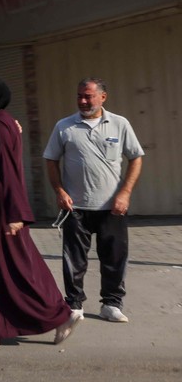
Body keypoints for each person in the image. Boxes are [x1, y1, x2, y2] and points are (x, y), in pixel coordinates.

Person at [0, 72, 81, 347]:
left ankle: (57, 316)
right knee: (1, 270)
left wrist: (15, 214)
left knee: (13, 270)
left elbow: (8, 171)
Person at [43, 77, 143, 323]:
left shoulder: (119, 124)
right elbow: (50, 159)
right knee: (74, 260)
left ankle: (111, 304)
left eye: (88, 96)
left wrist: (125, 193)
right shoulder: (64, 126)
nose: (83, 101)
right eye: (79, 96)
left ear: (103, 97)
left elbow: (136, 158)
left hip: (112, 208)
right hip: (75, 207)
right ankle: (74, 304)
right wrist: (59, 190)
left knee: (114, 257)